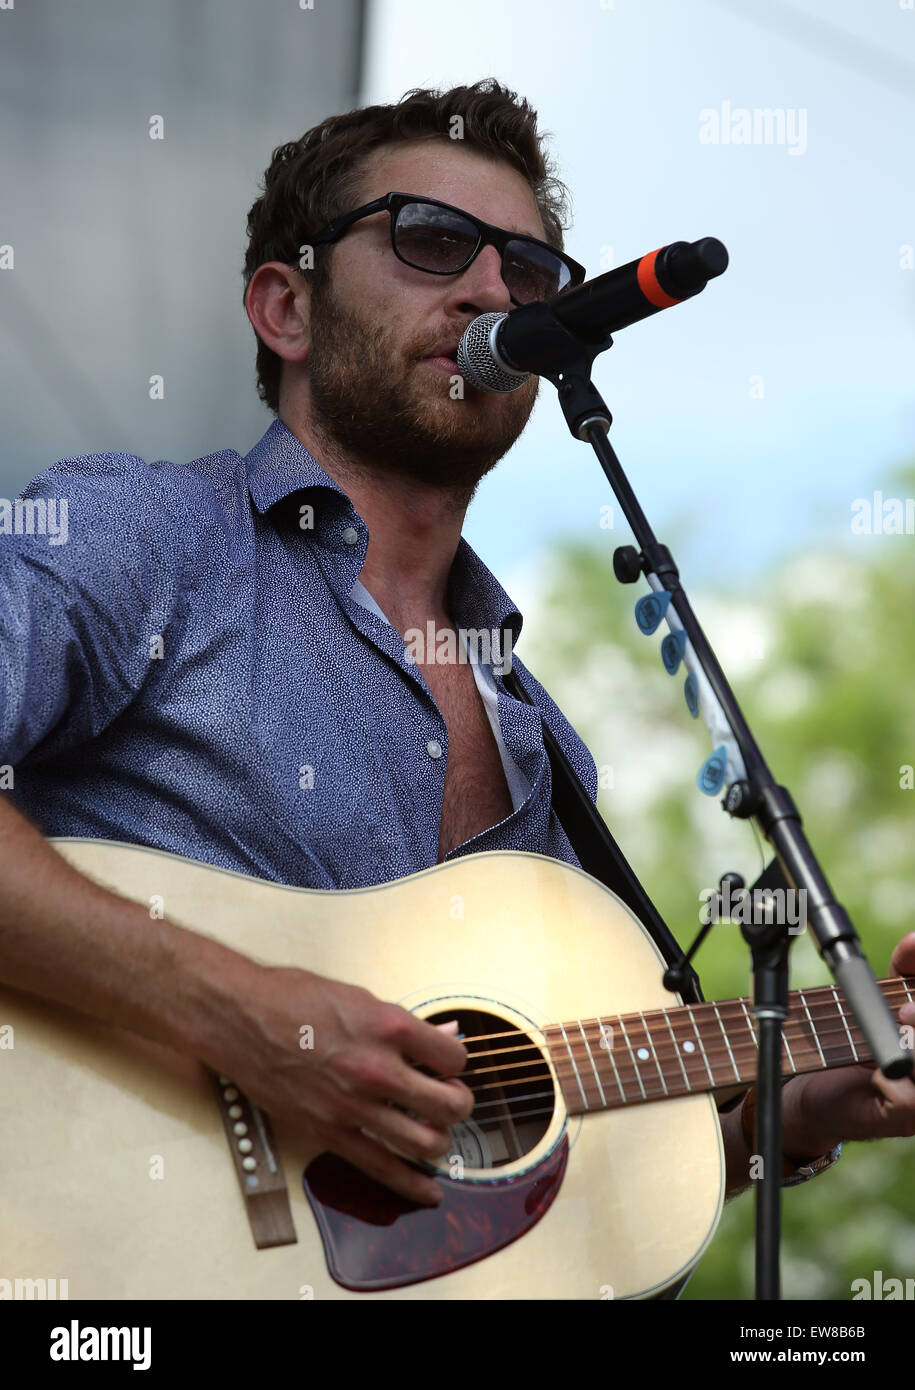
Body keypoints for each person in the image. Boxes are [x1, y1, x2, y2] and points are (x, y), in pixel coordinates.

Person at [1, 79, 913, 1224]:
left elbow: (526, 1187)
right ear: (286, 307)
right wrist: (248, 1018)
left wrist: (791, 1112)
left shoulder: (548, 752)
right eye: (433, 243)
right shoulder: (143, 536)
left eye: (529, 273)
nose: (492, 288)